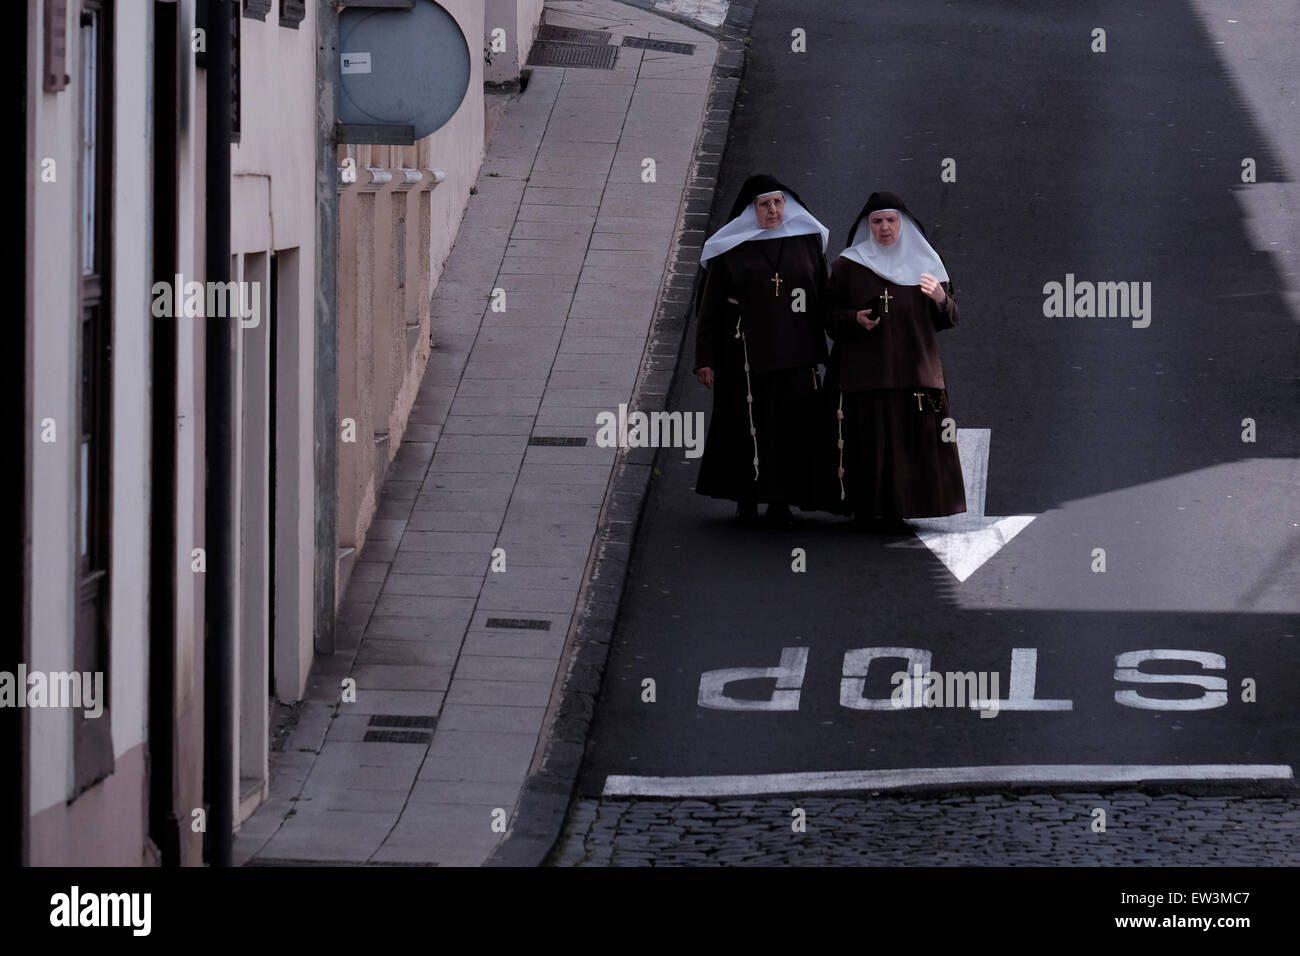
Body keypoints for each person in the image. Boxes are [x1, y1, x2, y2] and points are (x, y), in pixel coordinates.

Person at [693, 174, 832, 525]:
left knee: (791, 427)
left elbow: (824, 296)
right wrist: (705, 360)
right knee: (746, 426)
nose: (772, 210)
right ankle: (746, 497)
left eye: (778, 203)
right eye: (764, 204)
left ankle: (782, 500)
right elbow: (709, 309)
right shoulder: (730, 248)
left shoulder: (806, 241)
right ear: (750, 210)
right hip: (743, 355)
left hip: (796, 352)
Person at [823, 191, 967, 528]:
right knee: (867, 442)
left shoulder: (927, 266)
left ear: (902, 224)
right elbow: (826, 314)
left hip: (912, 371)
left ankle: (900, 508)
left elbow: (951, 318)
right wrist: (852, 318)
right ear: (867, 226)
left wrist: (941, 298)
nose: (884, 228)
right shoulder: (849, 265)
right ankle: (864, 508)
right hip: (863, 372)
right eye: (877, 222)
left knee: (906, 444)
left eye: (890, 221)